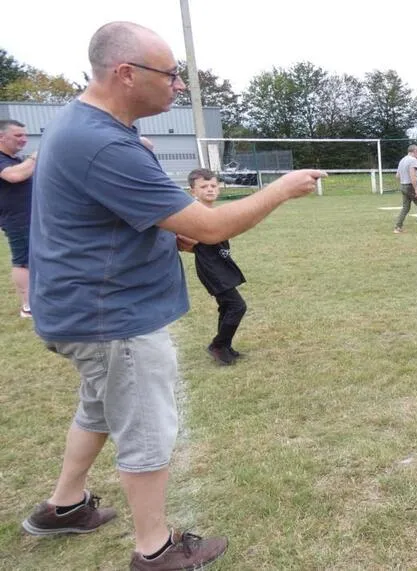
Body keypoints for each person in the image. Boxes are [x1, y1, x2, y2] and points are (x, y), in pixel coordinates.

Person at [22, 21, 326, 570]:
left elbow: (108, 218)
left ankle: (64, 506)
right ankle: (155, 549)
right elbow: (210, 226)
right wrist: (281, 188)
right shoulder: (102, 142)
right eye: (170, 74)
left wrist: (167, 235)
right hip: (111, 317)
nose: (179, 85)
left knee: (98, 408)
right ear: (126, 73)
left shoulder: (82, 125)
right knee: (144, 426)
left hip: (81, 308)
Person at [184, 168, 248, 365]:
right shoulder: (194, 213)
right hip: (211, 267)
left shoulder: (212, 212)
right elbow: (185, 239)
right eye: (204, 187)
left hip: (221, 263)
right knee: (237, 306)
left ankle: (225, 346)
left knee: (227, 306)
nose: (210, 189)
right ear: (193, 191)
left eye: (213, 185)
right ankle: (218, 345)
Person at [0, 119, 35, 318]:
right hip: (17, 220)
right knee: (23, 261)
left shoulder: (16, 159)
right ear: (1, 137)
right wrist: (35, 158)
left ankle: (37, 300)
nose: (24, 139)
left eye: (25, 135)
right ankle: (27, 306)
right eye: (18, 135)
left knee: (35, 259)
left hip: (30, 217)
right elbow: (14, 177)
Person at [394, 144, 417, 233]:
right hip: (411, 186)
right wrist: (416, 189)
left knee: (405, 208)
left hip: (403, 185)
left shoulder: (402, 160)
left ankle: (397, 227)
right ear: (414, 151)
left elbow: (397, 176)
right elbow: (413, 175)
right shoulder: (413, 160)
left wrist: (404, 182)